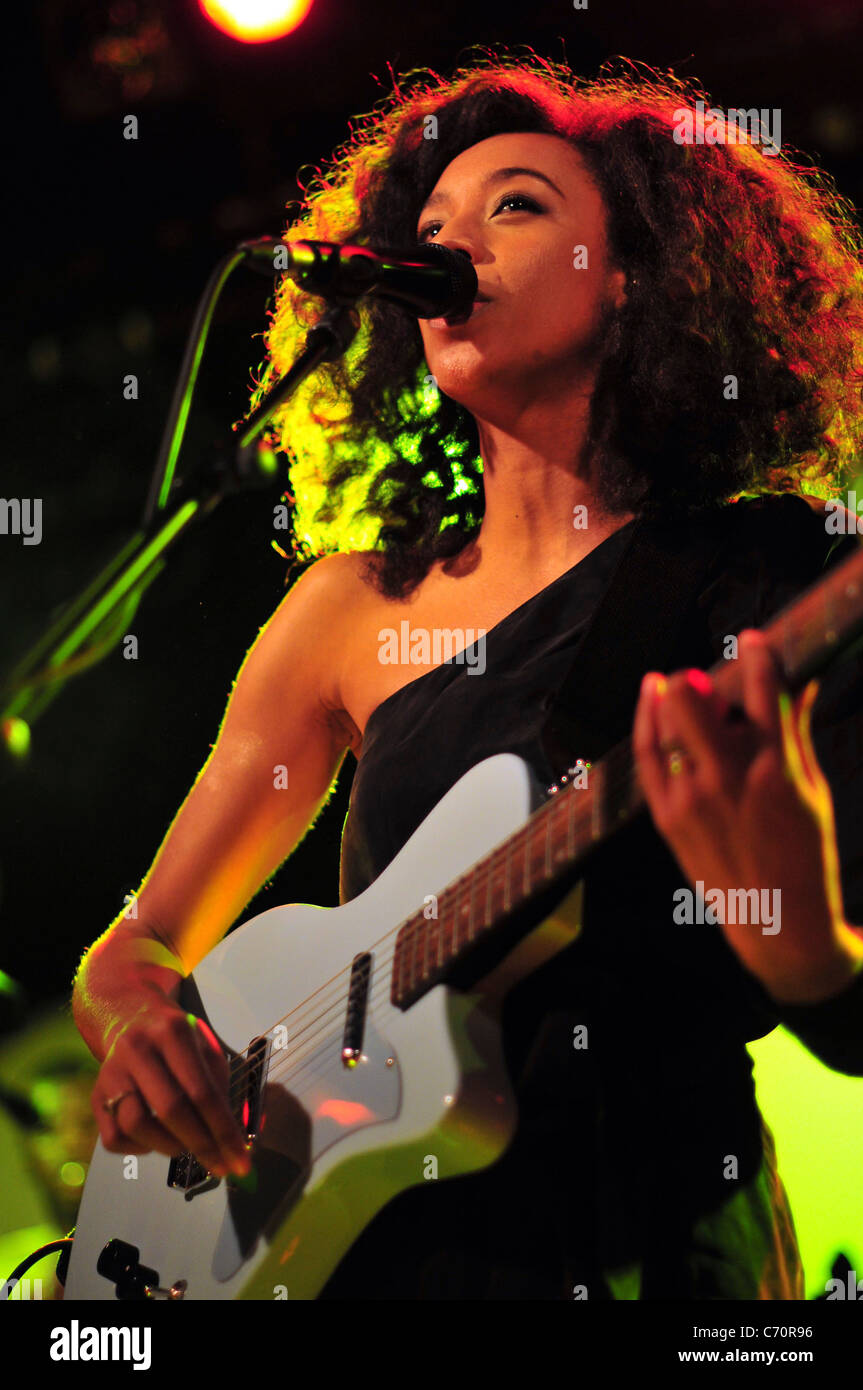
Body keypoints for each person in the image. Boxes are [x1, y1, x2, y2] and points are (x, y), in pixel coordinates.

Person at [72, 53, 863, 1299]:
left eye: (514, 207)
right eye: (430, 226)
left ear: (639, 272)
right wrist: (135, 1027)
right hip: (370, 1261)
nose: (451, 244)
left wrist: (799, 939)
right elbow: (140, 944)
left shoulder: (778, 578)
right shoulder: (347, 606)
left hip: (653, 1242)